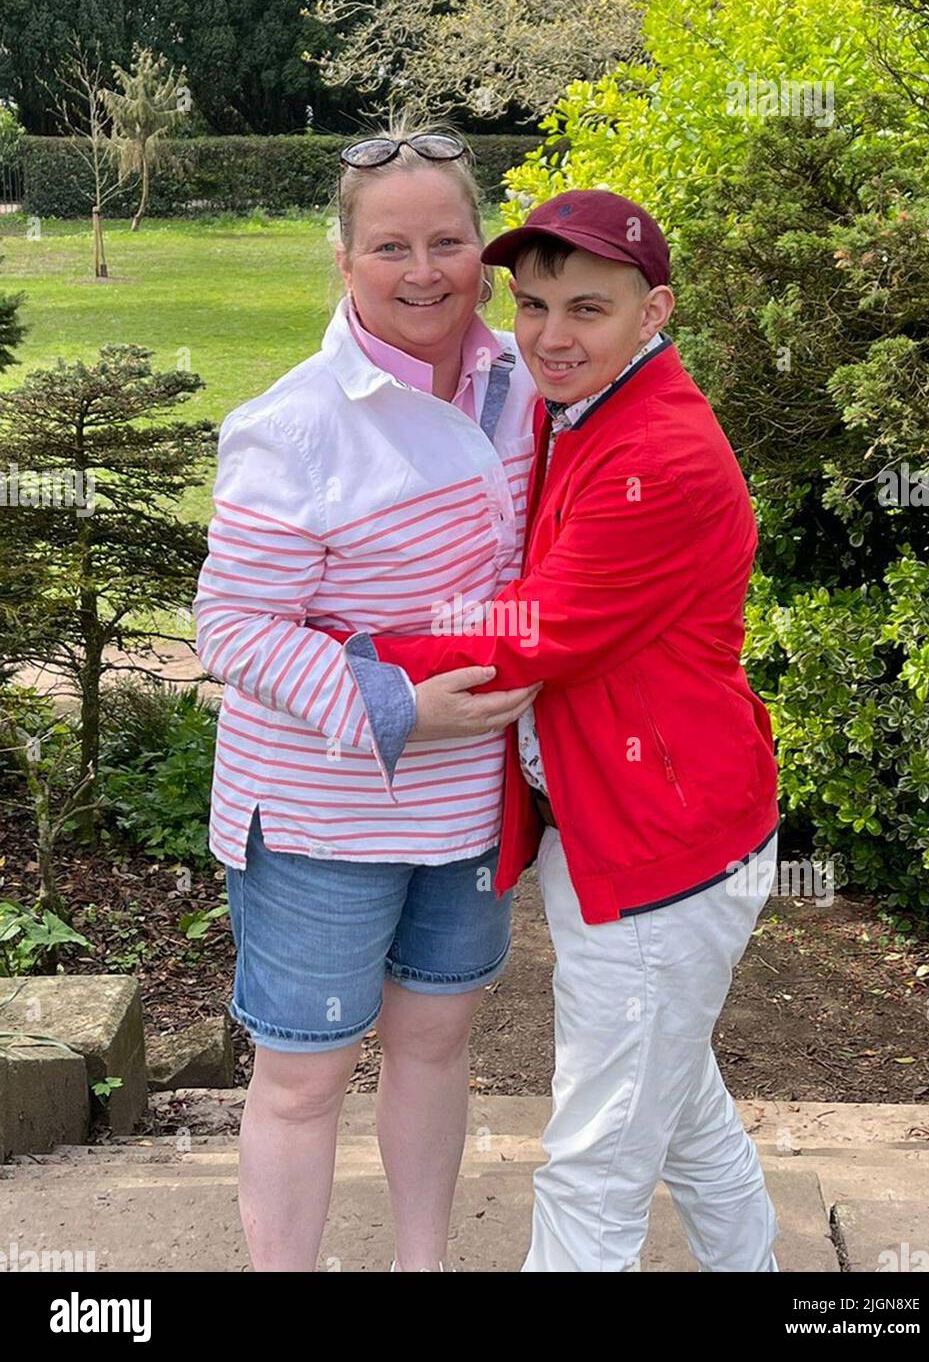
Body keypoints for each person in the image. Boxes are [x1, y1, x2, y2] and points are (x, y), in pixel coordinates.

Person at [339, 189, 783, 1272]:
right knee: (676, 1112)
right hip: (632, 827)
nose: (547, 335)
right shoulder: (577, 406)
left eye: (586, 308)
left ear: (653, 311)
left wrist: (345, 653)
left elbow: (530, 633)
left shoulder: (658, 457)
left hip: (659, 851)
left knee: (592, 1161)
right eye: (531, 304)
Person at [191, 120, 542, 1272]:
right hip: (320, 813)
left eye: (448, 240)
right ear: (342, 260)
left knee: (436, 1043)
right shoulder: (292, 428)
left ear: (482, 247)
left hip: (464, 807)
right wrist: (394, 704)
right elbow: (231, 627)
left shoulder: (525, 386)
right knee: (303, 1074)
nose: (425, 271)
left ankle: (420, 1266)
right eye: (391, 247)